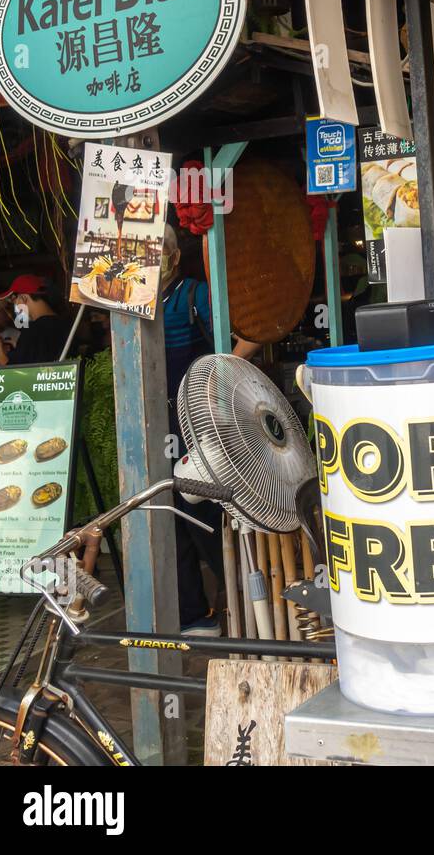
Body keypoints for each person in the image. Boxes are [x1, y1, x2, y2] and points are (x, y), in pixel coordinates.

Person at [160, 224, 259, 636]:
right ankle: (192, 614)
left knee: (202, 508)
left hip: (197, 421)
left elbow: (252, 335)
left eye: (158, 248)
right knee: (168, 515)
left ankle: (240, 607)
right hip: (156, 421)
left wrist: (215, 380)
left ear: (173, 255)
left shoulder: (194, 294)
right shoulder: (135, 300)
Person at [0, 275, 71, 364]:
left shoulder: (32, 331)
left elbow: (15, 373)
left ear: (24, 298)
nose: (15, 308)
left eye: (14, 301)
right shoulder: (67, 325)